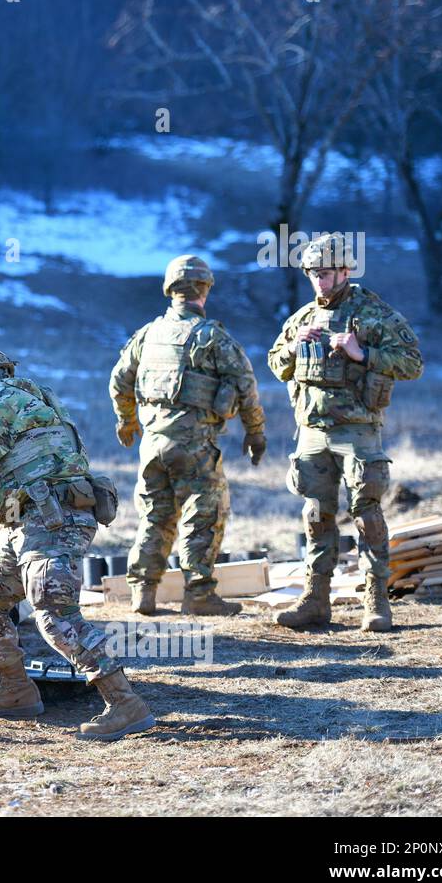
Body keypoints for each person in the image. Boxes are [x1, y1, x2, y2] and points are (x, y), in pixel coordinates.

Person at [0, 347, 156, 742]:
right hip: (27, 519)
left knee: (54, 613)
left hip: (52, 520)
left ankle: (124, 703)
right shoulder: (38, 402)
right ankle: (15, 691)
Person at [268, 233, 423, 631]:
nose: (320, 281)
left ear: (346, 271)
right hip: (312, 431)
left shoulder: (375, 314)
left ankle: (377, 603)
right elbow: (276, 364)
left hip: (357, 432)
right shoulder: (301, 318)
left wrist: (362, 353)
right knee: (317, 514)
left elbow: (413, 364)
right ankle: (315, 601)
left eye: (326, 273)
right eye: (313, 274)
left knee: (366, 513)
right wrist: (292, 347)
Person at [109, 255, 267, 616]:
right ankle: (199, 594)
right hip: (195, 446)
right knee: (204, 514)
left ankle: (143, 592)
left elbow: (120, 379)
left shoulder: (148, 334)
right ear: (205, 290)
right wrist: (255, 434)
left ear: (170, 290)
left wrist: (127, 421)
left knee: (156, 517)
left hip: (152, 445)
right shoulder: (212, 337)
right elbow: (246, 384)